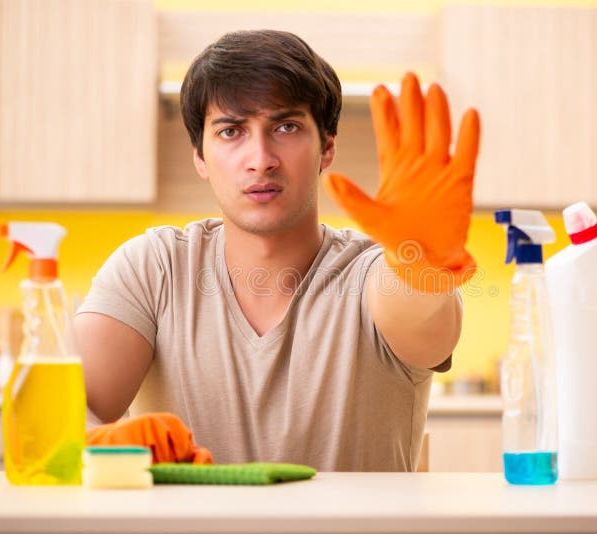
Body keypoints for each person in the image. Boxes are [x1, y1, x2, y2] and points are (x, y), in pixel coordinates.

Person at [75, 29, 480, 471]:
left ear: (327, 147)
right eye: (231, 131)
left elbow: (418, 311)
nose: (261, 158)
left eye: (285, 127)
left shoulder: (372, 273)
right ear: (199, 157)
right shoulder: (155, 268)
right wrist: (103, 441)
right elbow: (68, 414)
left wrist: (420, 258)